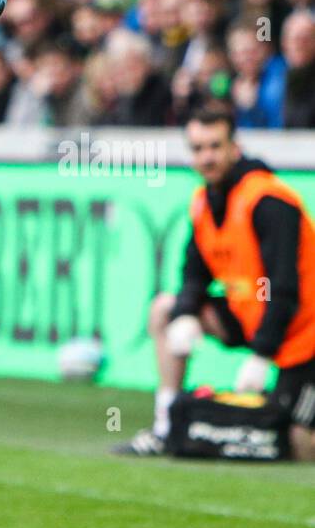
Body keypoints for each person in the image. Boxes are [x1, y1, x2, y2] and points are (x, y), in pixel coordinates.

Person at [115, 106, 315, 460]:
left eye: (214, 146)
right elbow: (194, 272)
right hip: (252, 319)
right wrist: (188, 313)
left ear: (233, 147)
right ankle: (165, 426)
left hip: (303, 334)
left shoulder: (268, 201)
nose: (206, 157)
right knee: (165, 309)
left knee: (299, 445)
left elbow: (283, 289)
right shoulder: (203, 204)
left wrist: (262, 355)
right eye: (197, 149)